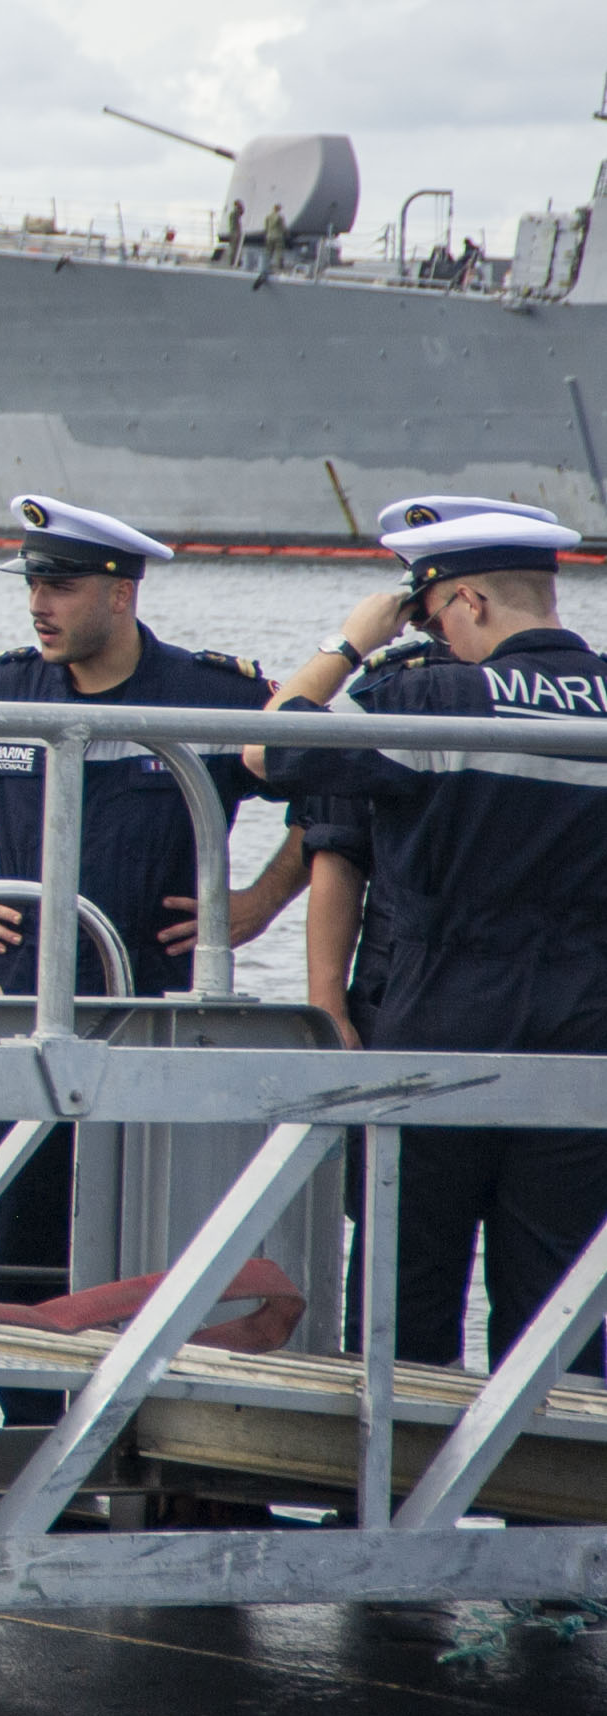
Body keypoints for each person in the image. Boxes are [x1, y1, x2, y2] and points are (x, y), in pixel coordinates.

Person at [0, 495, 305, 1298]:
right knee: (26, 1243)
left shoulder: (209, 695)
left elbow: (330, 794)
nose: (37, 605)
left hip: (157, 1016)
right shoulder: (4, 690)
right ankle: (29, 1379)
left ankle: (145, 1377)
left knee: (161, 1242)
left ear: (119, 592)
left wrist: (261, 901)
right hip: (24, 1011)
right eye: (32, 585)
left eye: (60, 586)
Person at [256, 505, 607, 1374]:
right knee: (560, 1313)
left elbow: (268, 749)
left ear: (469, 601)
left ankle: (396, 1460)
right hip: (585, 1041)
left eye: (432, 614)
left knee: (403, 1303)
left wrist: (349, 643)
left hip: (434, 1029)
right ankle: (551, 1462)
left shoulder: (428, 700)